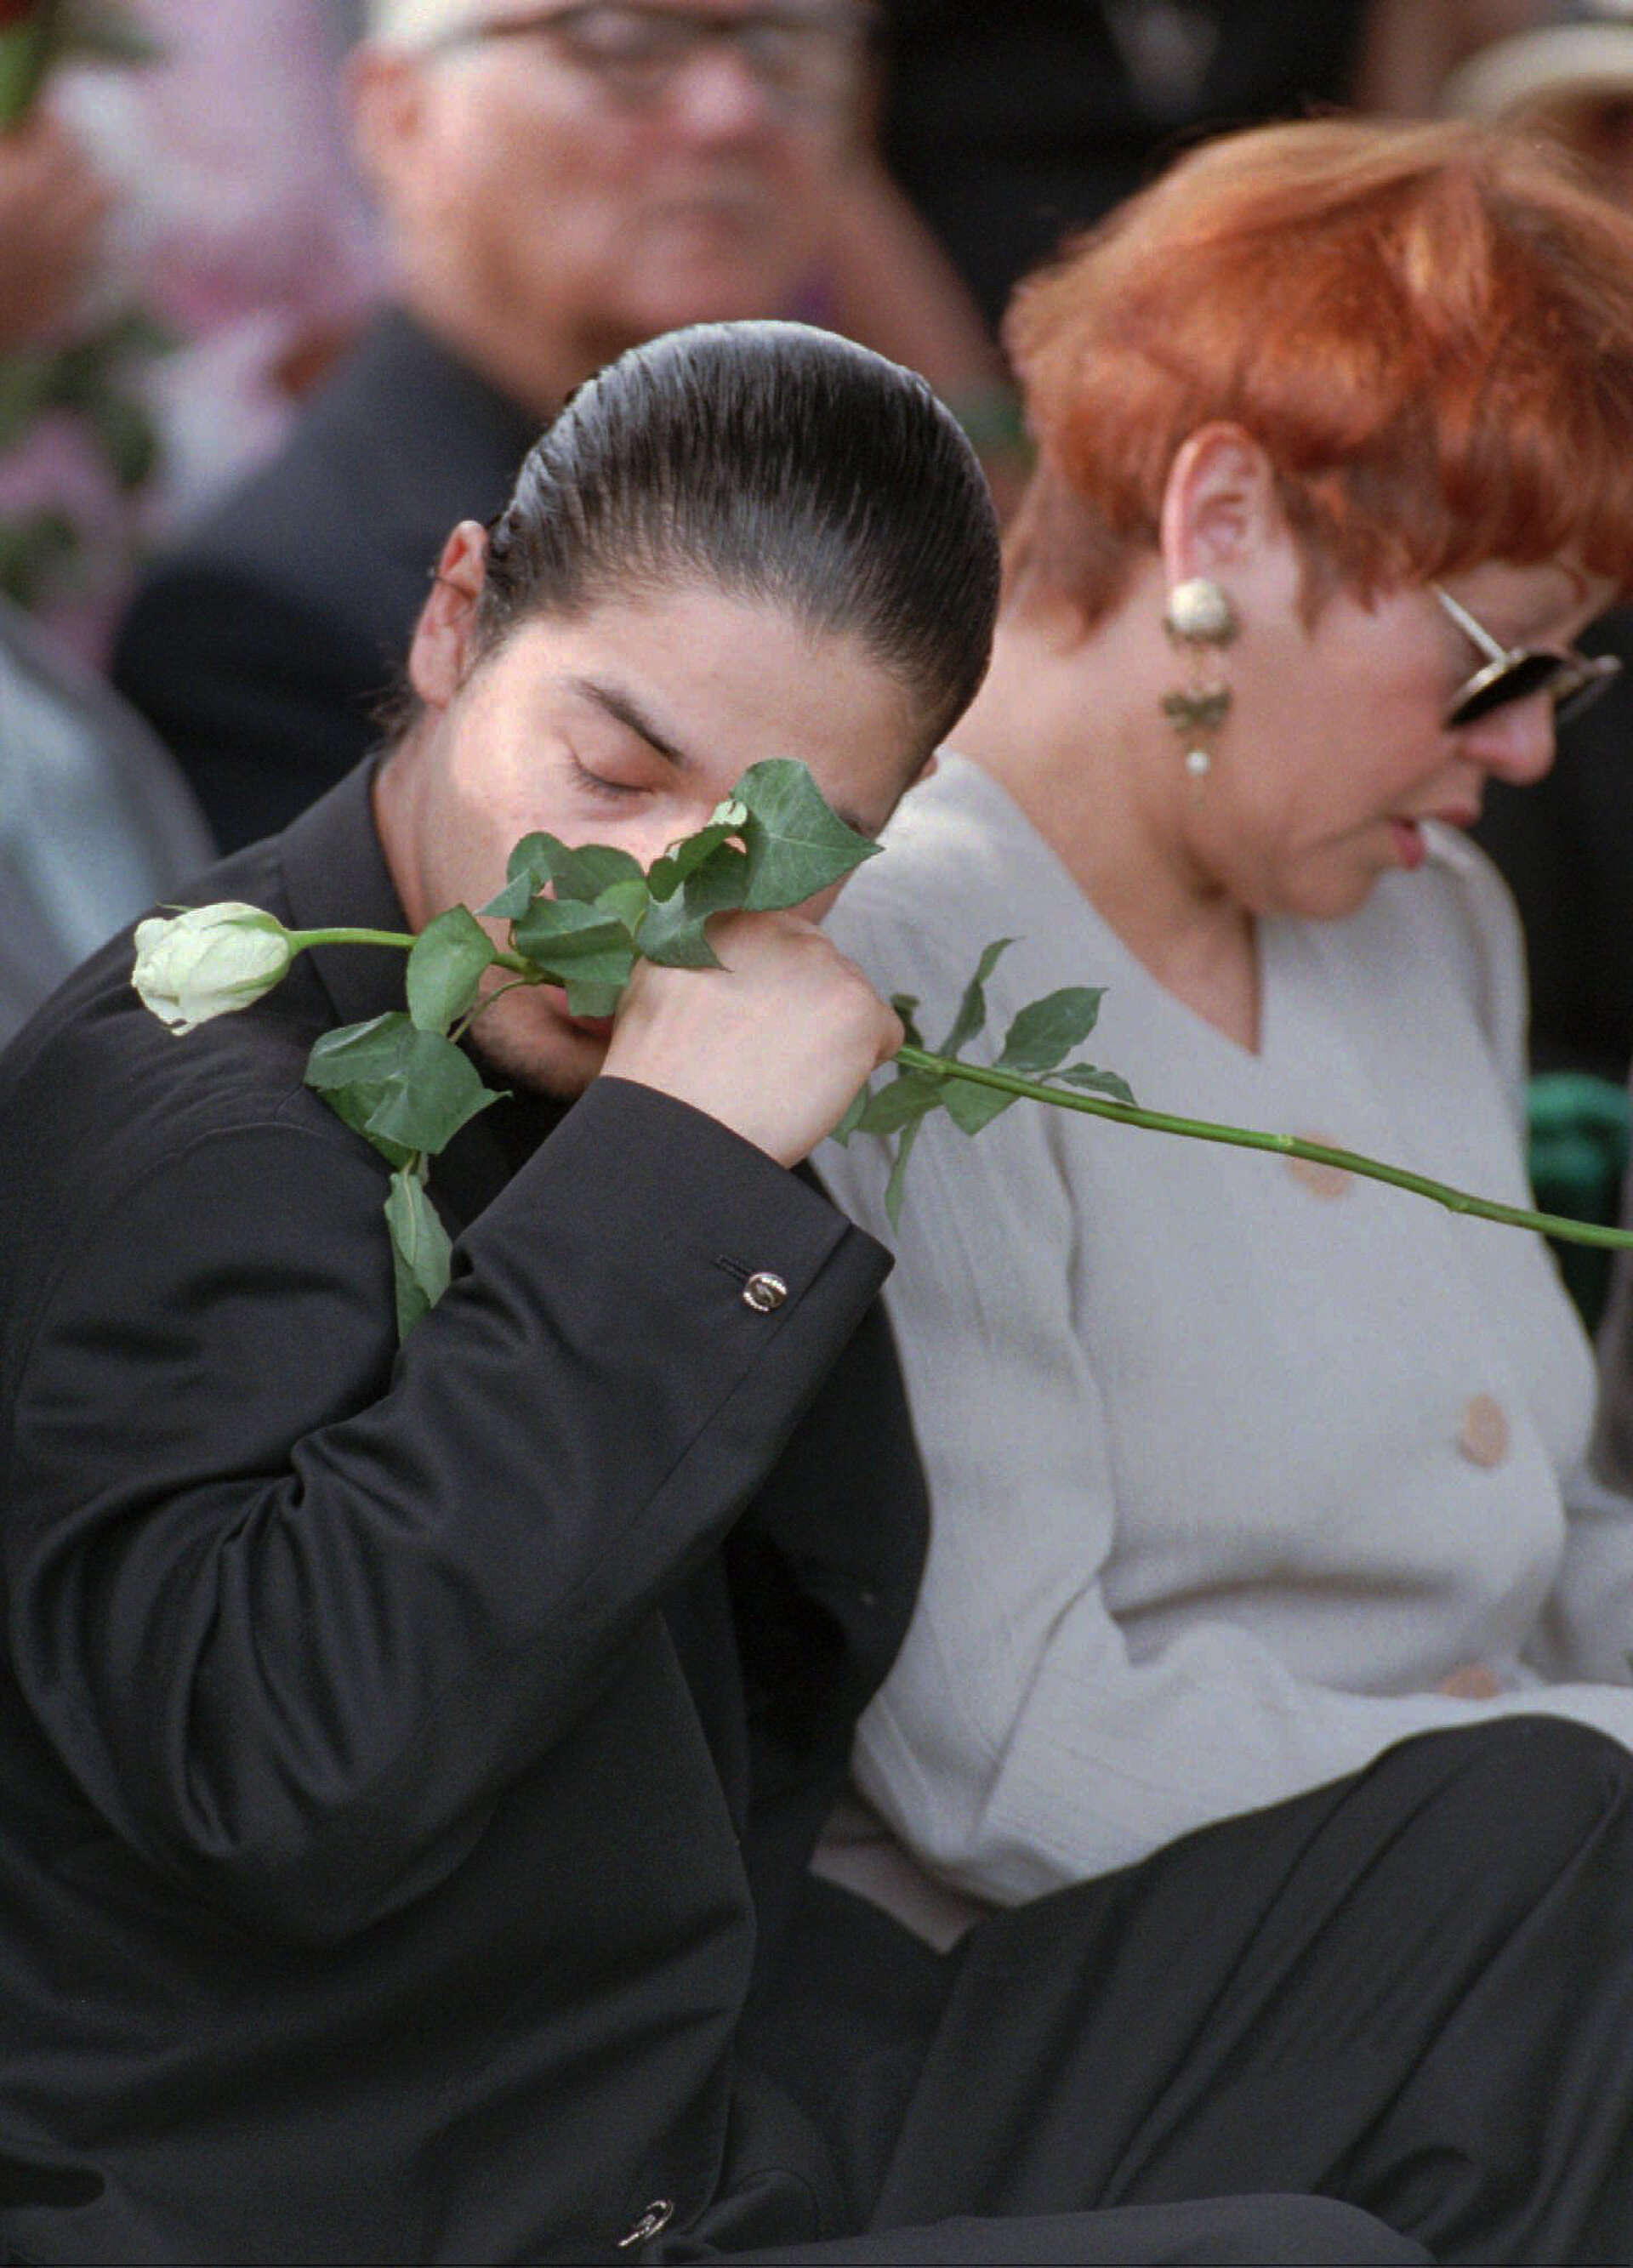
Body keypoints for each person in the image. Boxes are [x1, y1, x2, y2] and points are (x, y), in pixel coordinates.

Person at [13, 312, 1633, 2266]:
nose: (646, 894)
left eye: (777, 844)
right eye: (612, 761)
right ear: (454, 624)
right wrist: (673, 1179)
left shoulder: (627, 1050)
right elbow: (280, 1769)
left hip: (721, 2067)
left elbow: (792, 1659)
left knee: (1547, 1851)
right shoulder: (196, 1116)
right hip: (385, 2185)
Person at [819, 120, 1633, 1907]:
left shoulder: (1433, 913)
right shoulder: (885, 956)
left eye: (1571, 673)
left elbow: (1554, 1530)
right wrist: (1579, 1789)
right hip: (1125, 2019)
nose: (1525, 748)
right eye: (1496, 660)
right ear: (1227, 521)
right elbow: (1010, 1743)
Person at [108, 0, 989, 855]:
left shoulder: (861, 506)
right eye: (624, 44)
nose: (734, 111)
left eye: (788, 41)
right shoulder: (265, 618)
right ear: (401, 115)